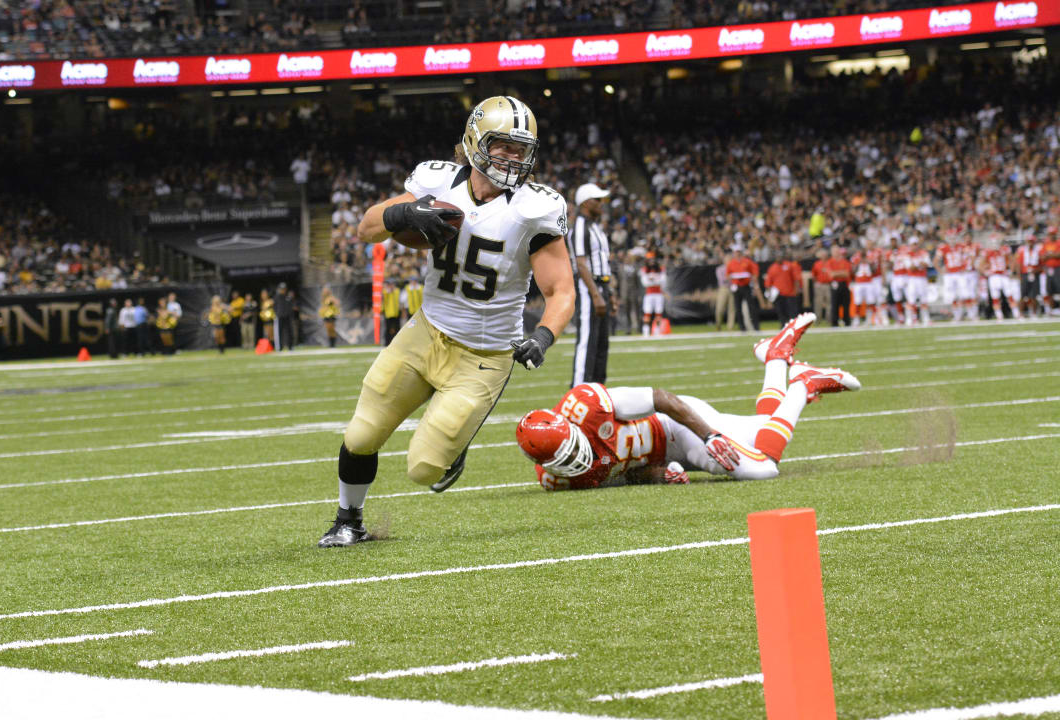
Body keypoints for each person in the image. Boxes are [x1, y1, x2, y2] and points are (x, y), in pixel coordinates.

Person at [318, 95, 575, 547]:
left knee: (424, 468)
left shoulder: (534, 208)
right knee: (361, 433)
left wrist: (543, 335)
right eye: (503, 146)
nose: (514, 158)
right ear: (476, 140)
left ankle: (453, 447)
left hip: (484, 355)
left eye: (521, 149)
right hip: (426, 331)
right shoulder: (437, 181)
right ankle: (348, 521)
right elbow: (366, 228)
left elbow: (560, 291)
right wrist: (403, 212)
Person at [517, 313, 860, 489]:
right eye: (567, 459)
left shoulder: (587, 405)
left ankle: (802, 383)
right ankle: (775, 358)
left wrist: (709, 435)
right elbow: (624, 473)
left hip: (677, 428)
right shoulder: (556, 480)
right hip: (666, 455)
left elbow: (662, 399)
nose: (579, 458)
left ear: (570, 426)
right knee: (764, 430)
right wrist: (660, 476)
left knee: (762, 467)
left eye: (574, 448)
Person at [570, 182, 613, 386]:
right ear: (586, 203)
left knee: (602, 343)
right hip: (589, 288)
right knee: (587, 341)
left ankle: (597, 391)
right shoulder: (580, 226)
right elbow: (581, 263)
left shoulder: (595, 227)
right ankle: (578, 390)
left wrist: (609, 292)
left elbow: (603, 261)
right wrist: (595, 294)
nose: (601, 203)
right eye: (597, 200)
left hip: (601, 285)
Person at [726, 248, 762, 332]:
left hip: (746, 286)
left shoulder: (747, 261)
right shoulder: (731, 263)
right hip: (736, 287)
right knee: (738, 307)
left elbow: (755, 271)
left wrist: (754, 280)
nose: (737, 254)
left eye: (739, 252)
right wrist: (732, 279)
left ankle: (756, 326)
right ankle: (742, 327)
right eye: (736, 252)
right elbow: (728, 275)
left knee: (751, 306)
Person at [764, 249, 802, 327]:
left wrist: (797, 289)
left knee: (793, 313)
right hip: (778, 295)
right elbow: (768, 283)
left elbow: (796, 278)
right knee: (781, 313)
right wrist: (769, 298)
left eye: (780, 256)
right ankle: (783, 328)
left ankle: (795, 328)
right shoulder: (772, 268)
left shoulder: (789, 265)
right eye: (777, 256)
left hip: (790, 293)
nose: (779, 258)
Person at [637, 250, 665, 337]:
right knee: (647, 313)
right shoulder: (644, 270)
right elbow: (645, 283)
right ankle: (645, 332)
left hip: (658, 294)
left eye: (653, 259)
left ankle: (657, 332)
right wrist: (655, 280)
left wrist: (653, 280)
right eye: (650, 260)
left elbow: (663, 281)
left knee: (658, 313)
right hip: (649, 294)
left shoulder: (661, 269)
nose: (651, 262)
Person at [825, 245, 853, 327]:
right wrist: (841, 273)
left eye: (837, 251)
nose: (836, 253)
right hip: (834, 285)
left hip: (844, 284)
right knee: (834, 304)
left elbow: (847, 274)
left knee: (846, 304)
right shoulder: (829, 262)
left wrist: (836, 273)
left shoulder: (845, 262)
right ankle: (834, 322)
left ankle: (847, 321)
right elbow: (831, 275)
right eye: (834, 251)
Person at [274, 282, 296, 351]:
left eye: (284, 289)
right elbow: (275, 307)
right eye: (281, 289)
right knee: (279, 332)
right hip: (280, 316)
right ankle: (279, 347)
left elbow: (291, 306)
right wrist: (277, 314)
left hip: (288, 316)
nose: (283, 290)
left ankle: (290, 346)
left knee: (289, 331)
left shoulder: (288, 296)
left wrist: (290, 313)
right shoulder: (277, 297)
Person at [381, 279, 401, 345]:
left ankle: (396, 342)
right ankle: (387, 343)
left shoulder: (397, 291)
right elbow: (385, 296)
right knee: (388, 329)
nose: (391, 286)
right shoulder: (385, 291)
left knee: (397, 328)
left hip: (396, 313)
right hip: (388, 313)